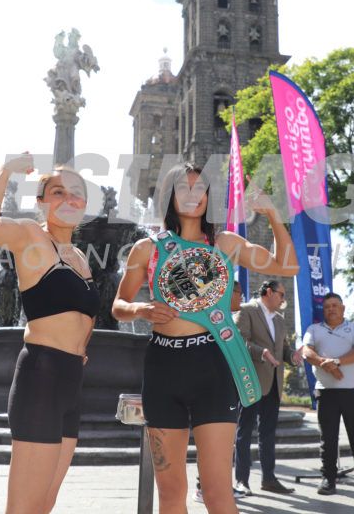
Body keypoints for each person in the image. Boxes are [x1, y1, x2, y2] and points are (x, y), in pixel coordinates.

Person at [113, 163, 299, 514]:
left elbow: (286, 266)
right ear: (169, 196)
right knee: (170, 493)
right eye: (184, 188)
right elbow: (118, 306)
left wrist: (274, 214)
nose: (193, 195)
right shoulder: (147, 248)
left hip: (213, 366)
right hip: (163, 367)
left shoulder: (224, 243)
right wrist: (141, 310)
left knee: (216, 493)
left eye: (200, 188)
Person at [0, 156, 99, 514]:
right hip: (42, 376)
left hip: (71, 380)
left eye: (76, 193)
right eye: (58, 192)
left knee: (44, 505)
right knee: (24, 508)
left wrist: (81, 346)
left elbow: (84, 315)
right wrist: (7, 171)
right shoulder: (30, 236)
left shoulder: (79, 257)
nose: (68, 199)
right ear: (41, 201)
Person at [300, 292, 354, 499]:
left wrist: (336, 362)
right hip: (326, 393)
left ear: (343, 308)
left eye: (335, 305)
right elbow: (307, 352)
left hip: (352, 392)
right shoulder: (314, 329)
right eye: (327, 307)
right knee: (328, 438)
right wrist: (327, 365)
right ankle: (328, 479)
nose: (331, 309)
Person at [232, 280, 297, 495]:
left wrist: (293, 357)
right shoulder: (246, 310)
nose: (283, 299)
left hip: (274, 383)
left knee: (268, 433)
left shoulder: (279, 319)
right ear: (268, 292)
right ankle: (242, 480)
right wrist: (262, 352)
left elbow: (284, 349)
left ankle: (269, 479)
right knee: (244, 431)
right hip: (250, 382)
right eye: (281, 294)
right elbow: (239, 342)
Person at [194, 281, 247, 504]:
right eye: (239, 293)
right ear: (227, 293)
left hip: (228, 387)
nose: (242, 298)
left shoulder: (229, 319)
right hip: (213, 388)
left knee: (224, 445)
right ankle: (203, 487)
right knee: (210, 442)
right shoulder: (212, 319)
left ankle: (220, 486)